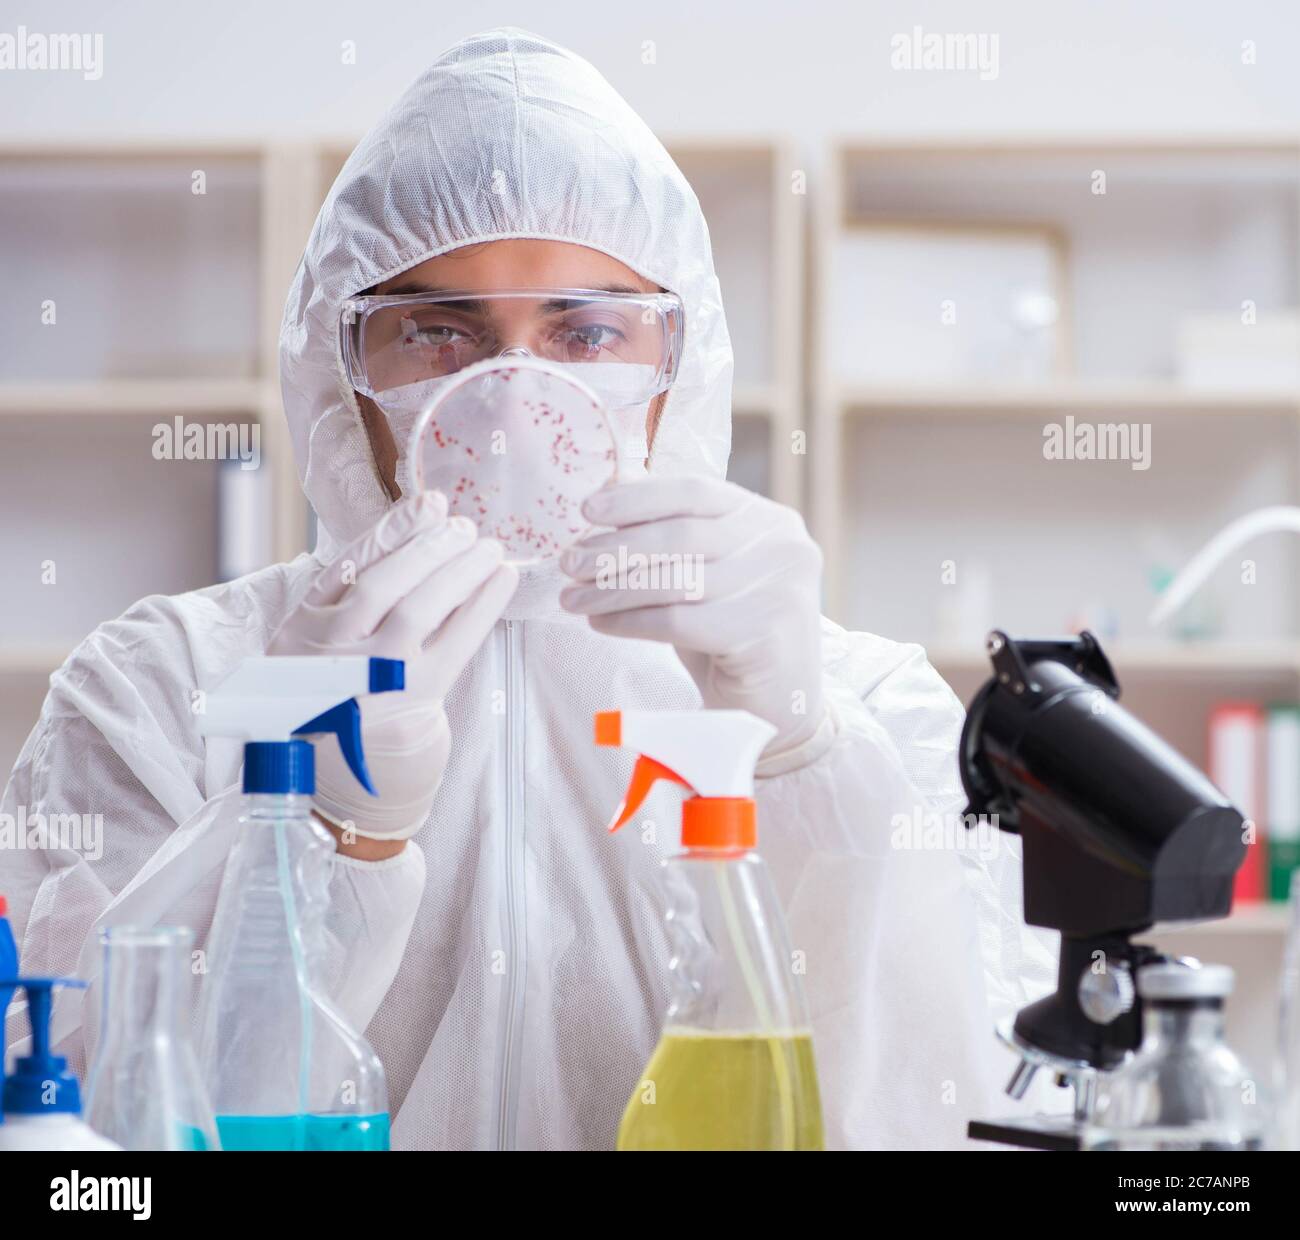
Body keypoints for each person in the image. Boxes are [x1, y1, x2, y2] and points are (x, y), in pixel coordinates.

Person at [1, 28, 1049, 1149]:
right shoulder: (158, 688)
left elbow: (951, 1112)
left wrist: (802, 766)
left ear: (675, 363)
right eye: (437, 333)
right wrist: (313, 823)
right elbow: (84, 1139)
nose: (511, 397)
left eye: (586, 331)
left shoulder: (861, 701)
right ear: (337, 367)